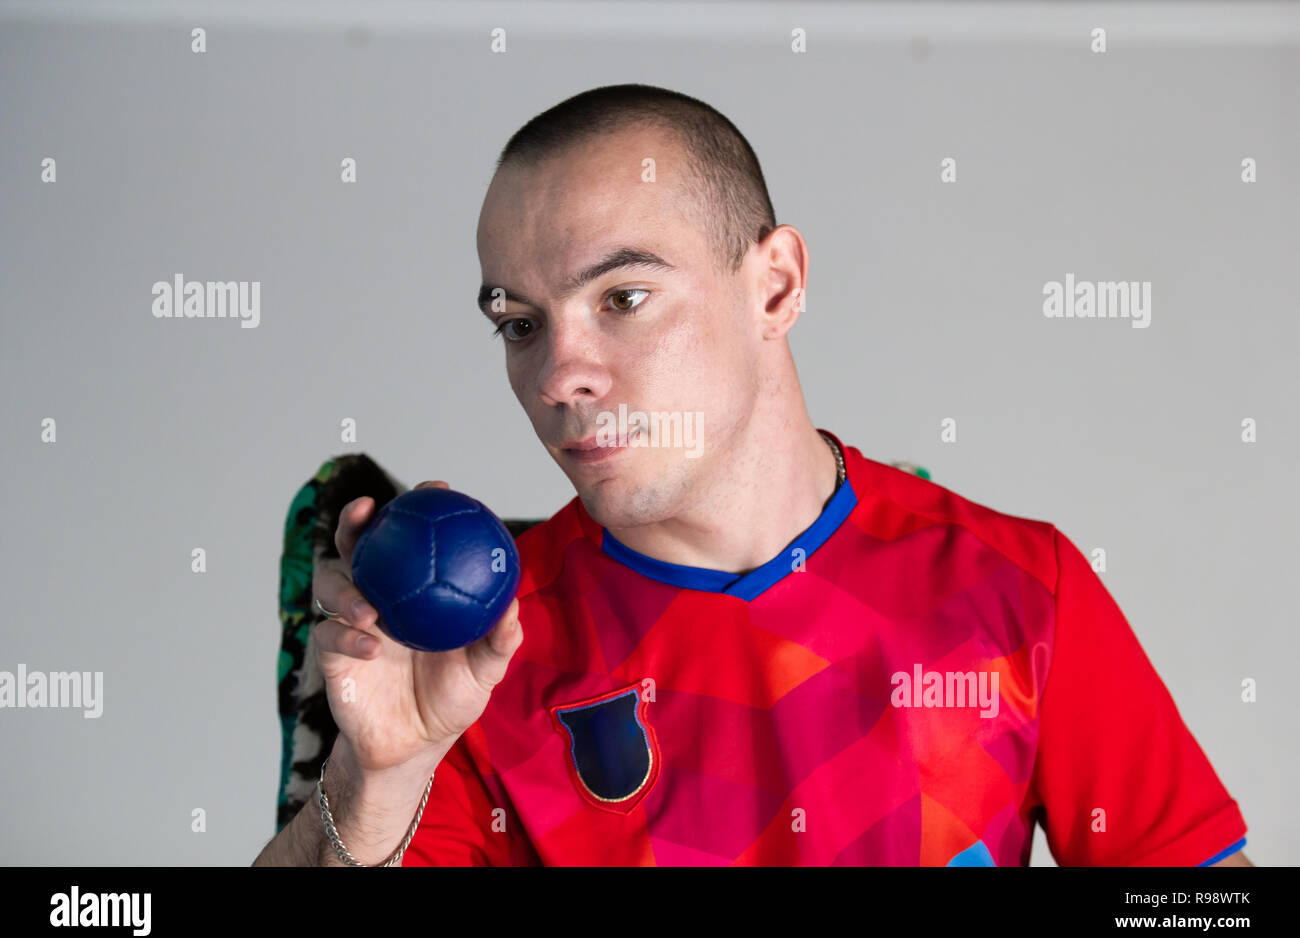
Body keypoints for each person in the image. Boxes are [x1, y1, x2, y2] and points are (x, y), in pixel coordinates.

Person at [254, 83, 1251, 867]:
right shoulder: (476, 658)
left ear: (773, 285)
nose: (558, 376)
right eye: (518, 324)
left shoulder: (1020, 587)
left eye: (625, 296)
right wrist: (377, 776)